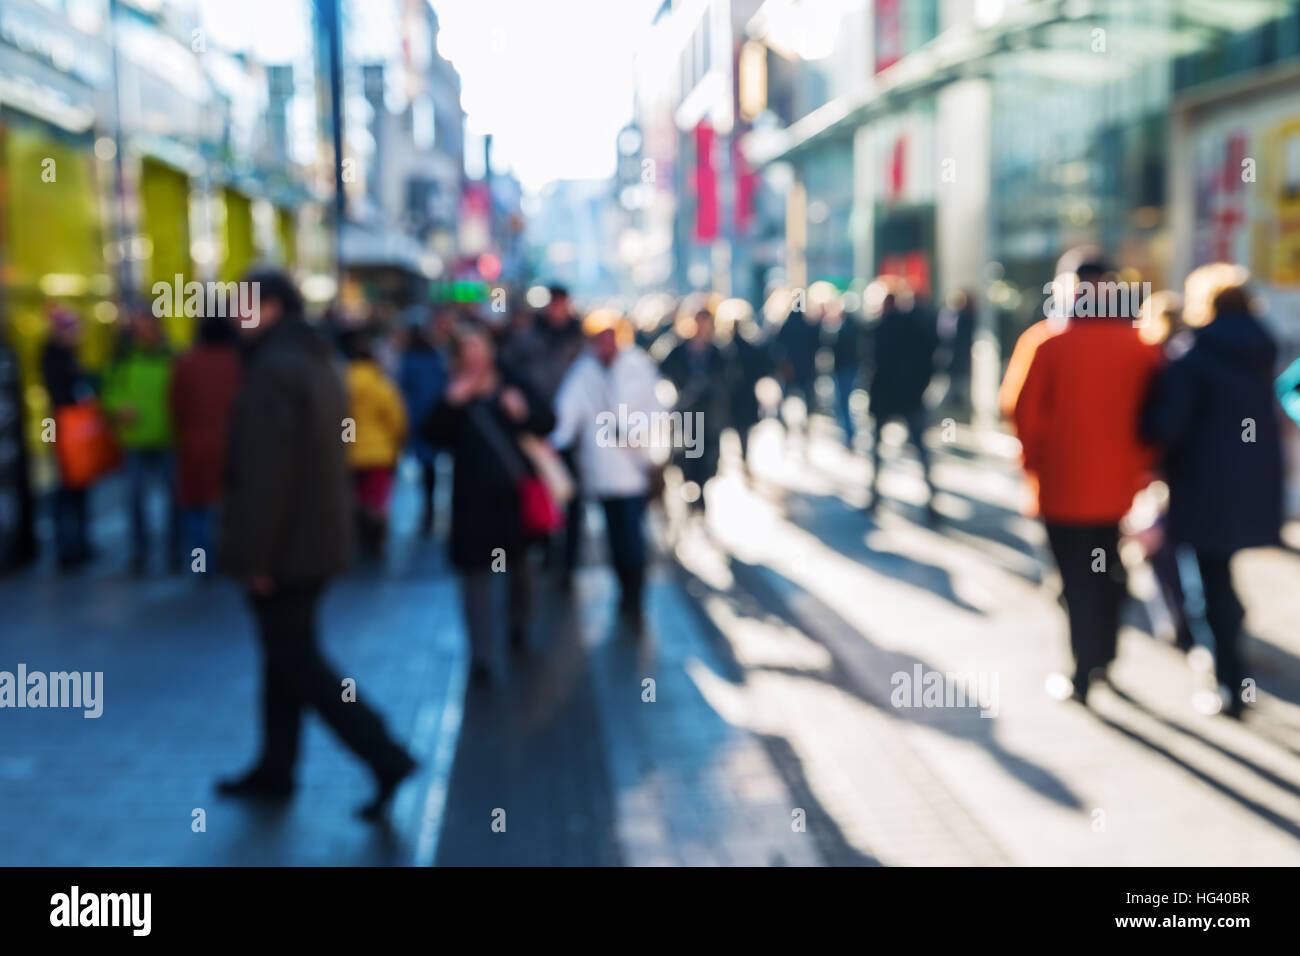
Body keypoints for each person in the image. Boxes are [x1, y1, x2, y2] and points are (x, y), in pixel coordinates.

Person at [217, 270, 415, 820]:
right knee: (283, 660)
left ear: (274, 307)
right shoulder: (315, 358)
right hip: (312, 539)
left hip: (285, 549)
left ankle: (384, 754)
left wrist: (256, 557)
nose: (236, 314)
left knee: (298, 661)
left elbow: (264, 474)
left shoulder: (274, 369)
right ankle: (276, 768)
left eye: (245, 305)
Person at [1009, 248, 1162, 704]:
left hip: (1061, 487)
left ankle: (1083, 669)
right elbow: (1156, 416)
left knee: (1075, 580)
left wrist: (1034, 465)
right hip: (1119, 488)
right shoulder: (1139, 345)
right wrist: (1141, 467)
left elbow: (1020, 413)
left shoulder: (1045, 341)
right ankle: (1105, 658)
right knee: (1108, 571)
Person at [1142, 264, 1285, 718]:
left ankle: (1230, 683)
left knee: (1206, 583)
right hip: (1254, 482)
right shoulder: (1262, 349)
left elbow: (1167, 425)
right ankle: (1234, 668)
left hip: (1202, 484)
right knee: (1221, 579)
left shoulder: (1193, 354)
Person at [423, 326, 555, 683]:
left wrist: (522, 412)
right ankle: (482, 653)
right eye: (467, 351)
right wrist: (453, 403)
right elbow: (430, 434)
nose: (475, 358)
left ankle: (518, 627)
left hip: (514, 500)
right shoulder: (454, 390)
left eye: (479, 349)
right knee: (476, 579)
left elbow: (547, 421)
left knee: (519, 570)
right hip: (471, 504)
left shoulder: (511, 383)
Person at [552, 309, 664, 631]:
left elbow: (657, 411)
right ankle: (625, 589)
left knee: (631, 535)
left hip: (633, 468)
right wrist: (551, 441)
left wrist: (632, 431)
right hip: (600, 472)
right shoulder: (583, 373)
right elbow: (566, 415)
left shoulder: (638, 366)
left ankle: (635, 594)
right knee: (615, 537)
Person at [101, 308, 179, 574]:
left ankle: (174, 552)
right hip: (134, 437)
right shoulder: (124, 357)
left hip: (168, 437)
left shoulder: (172, 356)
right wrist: (118, 407)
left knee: (174, 499)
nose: (142, 331)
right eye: (138, 326)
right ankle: (140, 553)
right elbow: (109, 389)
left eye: (146, 325)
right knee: (135, 499)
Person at [169, 314, 242, 573]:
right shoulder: (239, 363)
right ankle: (229, 560)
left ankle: (202, 564)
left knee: (197, 510)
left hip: (194, 445)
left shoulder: (186, 364)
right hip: (234, 445)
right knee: (230, 507)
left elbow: (175, 406)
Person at [863, 277, 939, 516]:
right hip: (906, 395)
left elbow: (872, 361)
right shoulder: (913, 324)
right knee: (918, 447)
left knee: (889, 447)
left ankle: (877, 495)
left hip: (894, 394)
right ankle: (929, 497)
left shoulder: (884, 326)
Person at [343, 329, 407, 561]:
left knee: (355, 496)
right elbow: (396, 419)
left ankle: (359, 533)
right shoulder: (382, 386)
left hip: (349, 451)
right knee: (377, 499)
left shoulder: (341, 383)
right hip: (379, 452)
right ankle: (375, 539)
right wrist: (397, 443)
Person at [41, 309, 96, 569]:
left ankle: (79, 543)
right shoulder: (54, 356)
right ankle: (67, 547)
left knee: (78, 487)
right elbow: (62, 393)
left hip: (72, 427)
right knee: (66, 488)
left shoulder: (69, 354)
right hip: (63, 427)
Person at [659, 308, 728, 513]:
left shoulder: (718, 351)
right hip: (687, 414)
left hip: (710, 415)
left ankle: (701, 489)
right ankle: (691, 489)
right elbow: (664, 369)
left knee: (708, 456)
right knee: (687, 454)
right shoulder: (680, 349)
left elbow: (727, 379)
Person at [398, 310, 449, 537]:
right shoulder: (435, 356)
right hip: (432, 416)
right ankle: (429, 506)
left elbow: (403, 388)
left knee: (423, 464)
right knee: (430, 465)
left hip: (418, 417)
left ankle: (427, 507)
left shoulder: (409, 358)